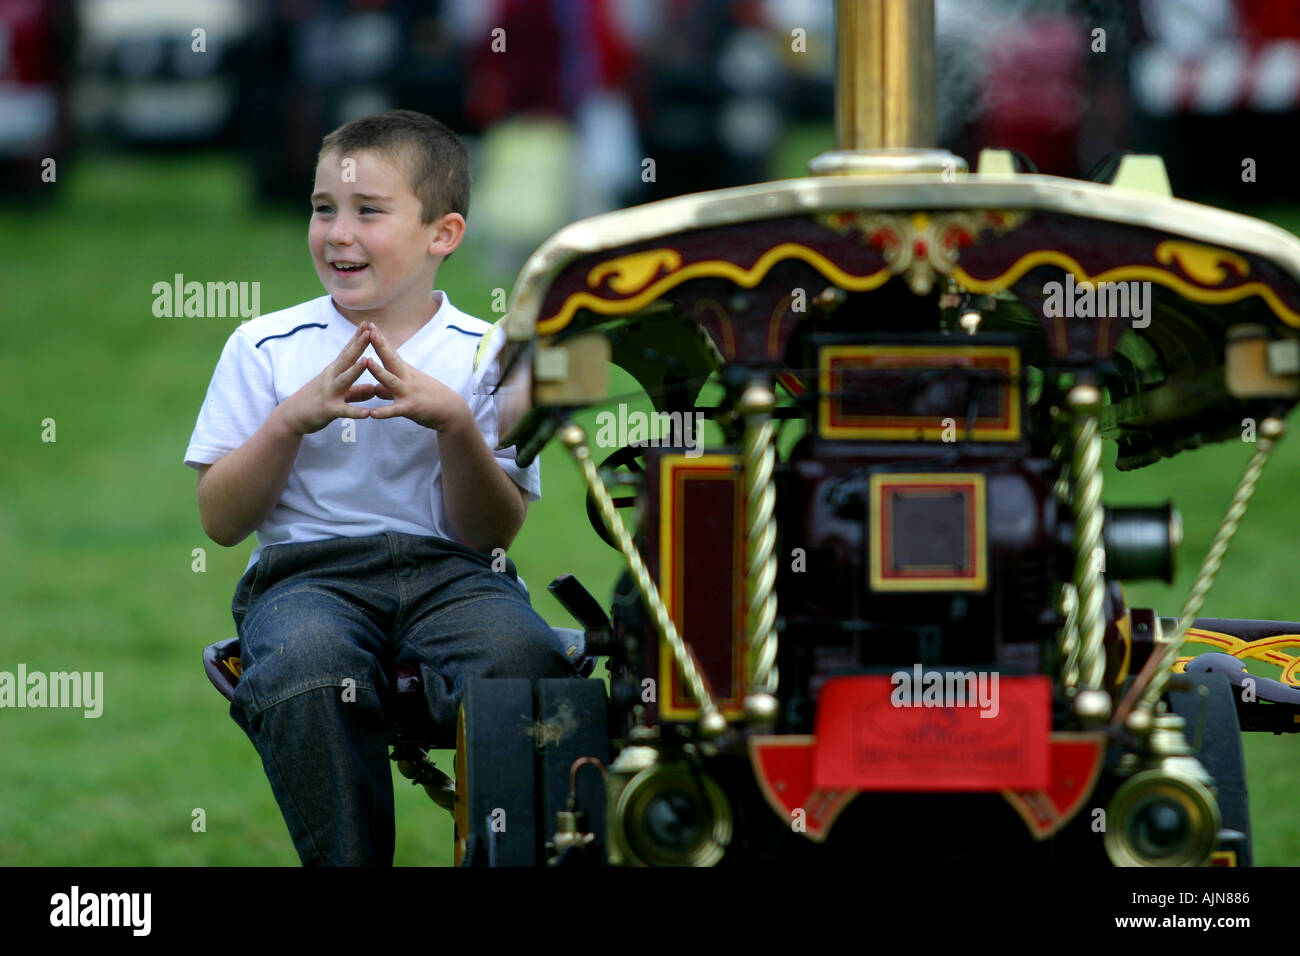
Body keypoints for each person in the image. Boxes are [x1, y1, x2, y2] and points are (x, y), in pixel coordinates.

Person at [184, 109, 578, 866]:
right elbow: (221, 521)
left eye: (368, 211)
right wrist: (290, 422)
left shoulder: (487, 354)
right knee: (306, 670)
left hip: (456, 577)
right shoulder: (264, 347)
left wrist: (456, 425)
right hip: (309, 576)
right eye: (323, 207)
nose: (338, 233)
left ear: (444, 233)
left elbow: (489, 538)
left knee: (524, 662)